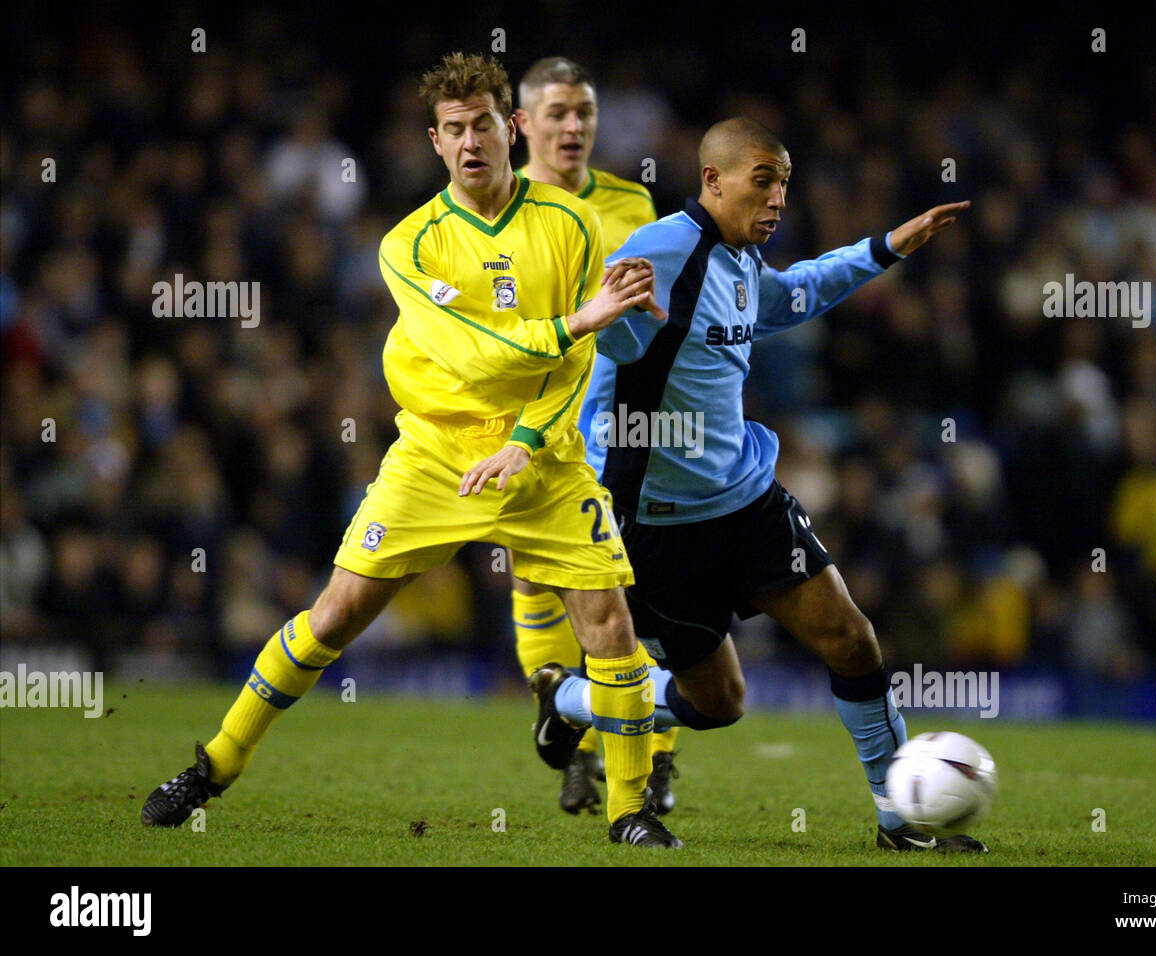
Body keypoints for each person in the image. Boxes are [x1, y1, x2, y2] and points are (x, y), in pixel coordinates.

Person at [142, 52, 685, 850]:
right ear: (436, 141)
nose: (472, 142)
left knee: (610, 624)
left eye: (484, 126)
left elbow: (581, 363)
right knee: (334, 615)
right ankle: (214, 766)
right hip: (434, 455)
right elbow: (474, 355)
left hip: (542, 456)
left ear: (512, 128)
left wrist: (530, 441)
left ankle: (630, 811)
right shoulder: (410, 245)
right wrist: (579, 320)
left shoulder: (568, 225)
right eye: (455, 130)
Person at [522, 116, 986, 852]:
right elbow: (603, 341)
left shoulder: (738, 262)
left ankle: (901, 817)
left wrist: (885, 248)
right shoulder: (659, 251)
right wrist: (607, 324)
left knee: (851, 636)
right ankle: (569, 697)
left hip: (745, 501)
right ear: (713, 180)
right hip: (655, 521)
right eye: (762, 181)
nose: (776, 200)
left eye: (784, 185)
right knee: (719, 704)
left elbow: (791, 295)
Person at [506, 56, 681, 818]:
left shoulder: (631, 200)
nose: (573, 126)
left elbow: (653, 306)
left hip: (618, 421)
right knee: (536, 578)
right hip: (534, 416)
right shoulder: (498, 203)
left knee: (632, 591)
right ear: (524, 123)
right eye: (557, 113)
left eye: (584, 112)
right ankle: (570, 736)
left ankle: (655, 758)